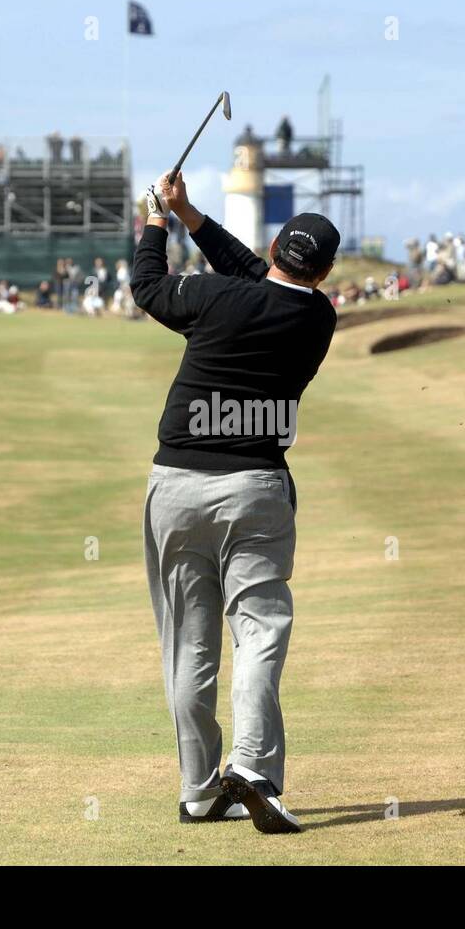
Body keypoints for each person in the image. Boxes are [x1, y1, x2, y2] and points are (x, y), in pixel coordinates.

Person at [132, 171, 338, 834]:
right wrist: (191, 213)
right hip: (256, 489)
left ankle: (198, 788)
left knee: (191, 643)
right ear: (325, 271)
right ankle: (250, 765)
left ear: (276, 245)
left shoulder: (219, 297)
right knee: (259, 629)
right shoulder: (318, 317)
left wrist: (157, 222)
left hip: (179, 485)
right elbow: (260, 278)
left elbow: (149, 288)